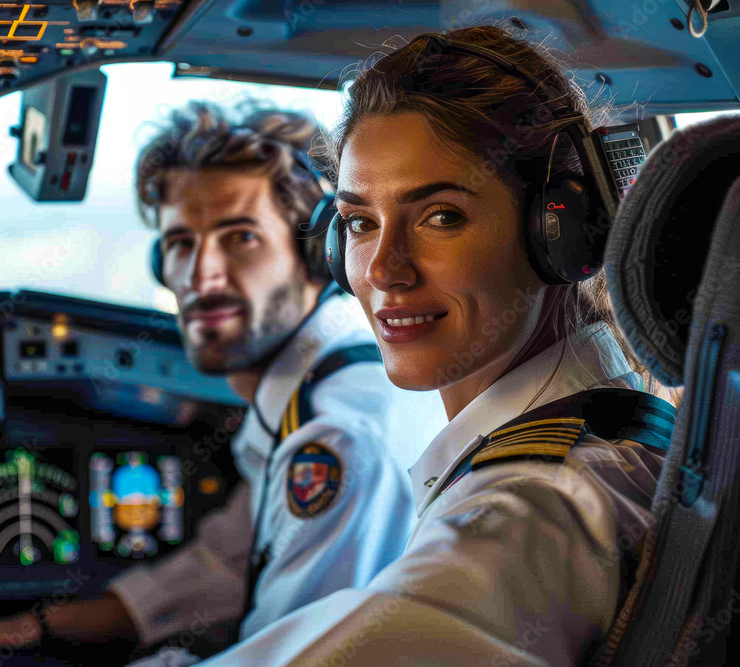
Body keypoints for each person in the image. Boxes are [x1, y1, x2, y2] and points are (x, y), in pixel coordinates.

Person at [196, 24, 679, 666]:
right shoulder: (610, 424)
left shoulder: (537, 503)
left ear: (558, 232)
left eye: (440, 216)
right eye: (361, 223)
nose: (383, 271)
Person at [0, 100, 444, 667]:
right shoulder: (316, 386)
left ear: (321, 251)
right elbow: (227, 562)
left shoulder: (333, 435)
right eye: (180, 244)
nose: (201, 276)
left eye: (239, 237)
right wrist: (39, 627)